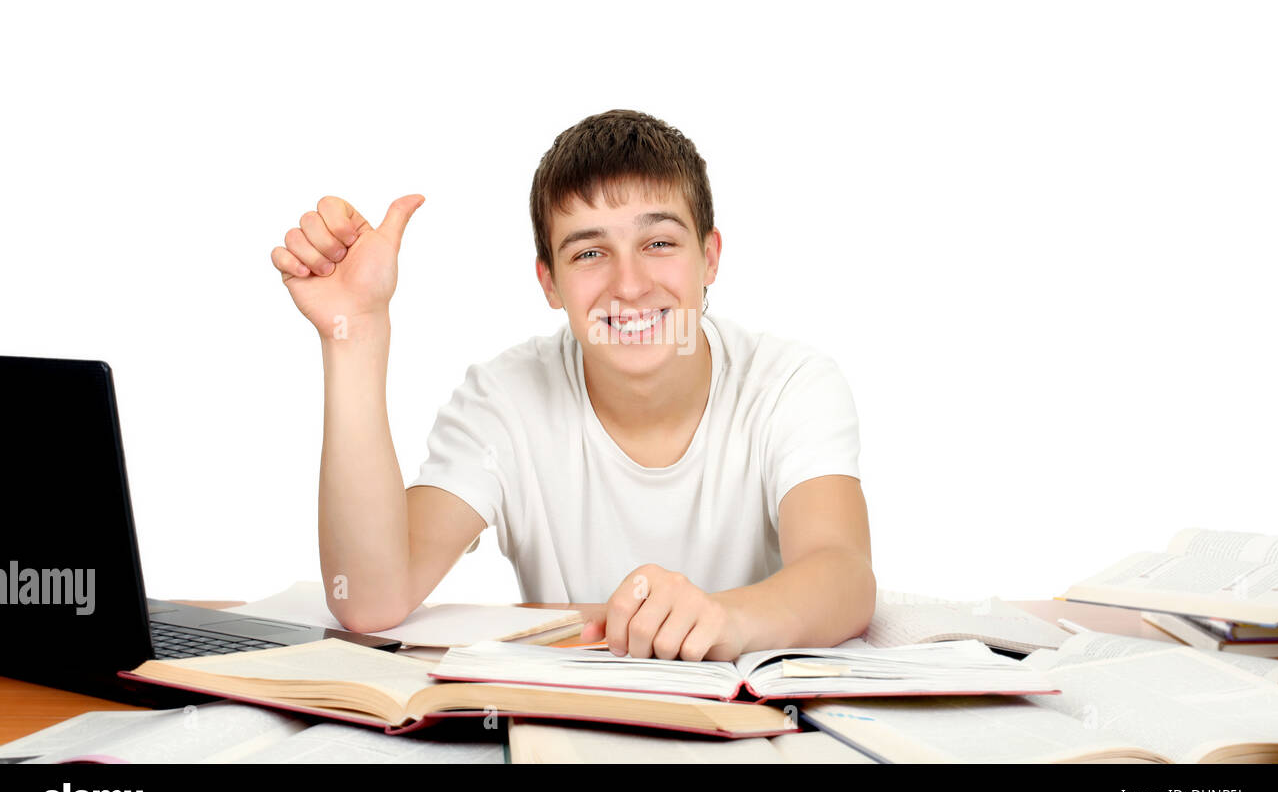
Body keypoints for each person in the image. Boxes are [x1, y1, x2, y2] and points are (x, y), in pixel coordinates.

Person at [270, 109, 875, 661]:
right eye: (589, 254)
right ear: (550, 283)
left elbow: (843, 575)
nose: (630, 284)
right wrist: (355, 335)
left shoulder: (791, 383)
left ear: (710, 257)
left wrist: (723, 620)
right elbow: (369, 601)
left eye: (659, 243)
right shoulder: (503, 400)